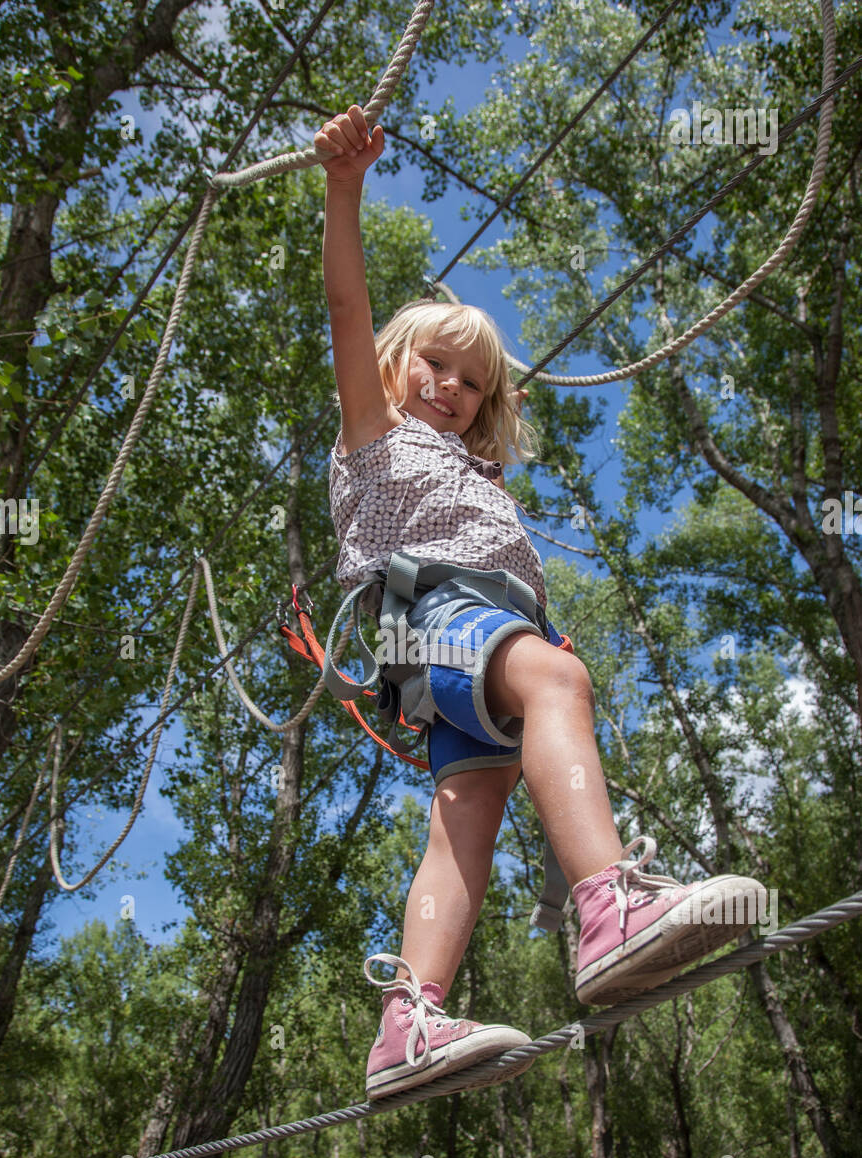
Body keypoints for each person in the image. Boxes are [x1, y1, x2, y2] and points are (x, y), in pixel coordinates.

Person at [315, 106, 764, 1101]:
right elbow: (347, 308)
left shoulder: (480, 477)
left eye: (472, 384)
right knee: (557, 675)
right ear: (392, 369)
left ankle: (409, 1021)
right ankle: (609, 907)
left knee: (466, 813)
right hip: (425, 611)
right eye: (431, 364)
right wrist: (344, 187)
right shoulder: (376, 439)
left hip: (435, 645)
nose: (449, 387)